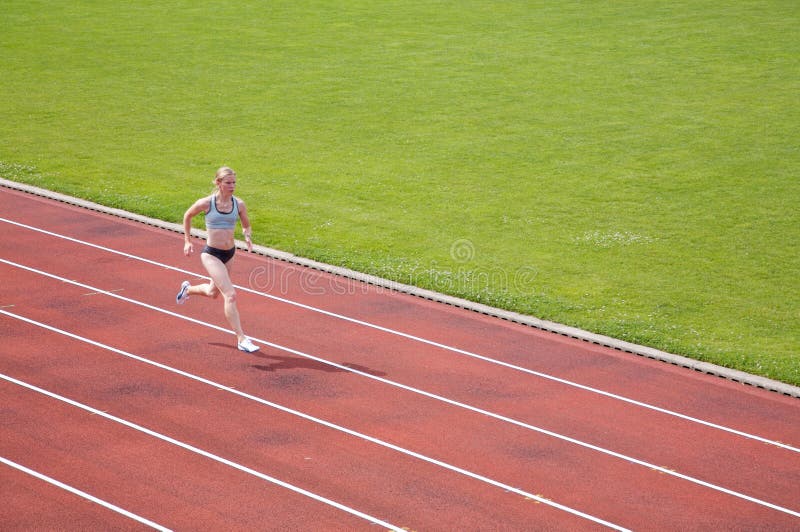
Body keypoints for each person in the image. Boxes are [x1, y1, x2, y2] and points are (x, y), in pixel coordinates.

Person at [175, 166, 260, 353]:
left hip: (229, 253)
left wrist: (247, 235)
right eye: (228, 183)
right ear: (218, 183)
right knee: (230, 294)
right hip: (211, 254)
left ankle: (187, 289)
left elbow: (246, 224)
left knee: (214, 292)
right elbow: (187, 216)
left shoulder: (239, 204)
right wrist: (187, 241)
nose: (232, 186)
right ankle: (241, 339)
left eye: (234, 182)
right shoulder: (206, 203)